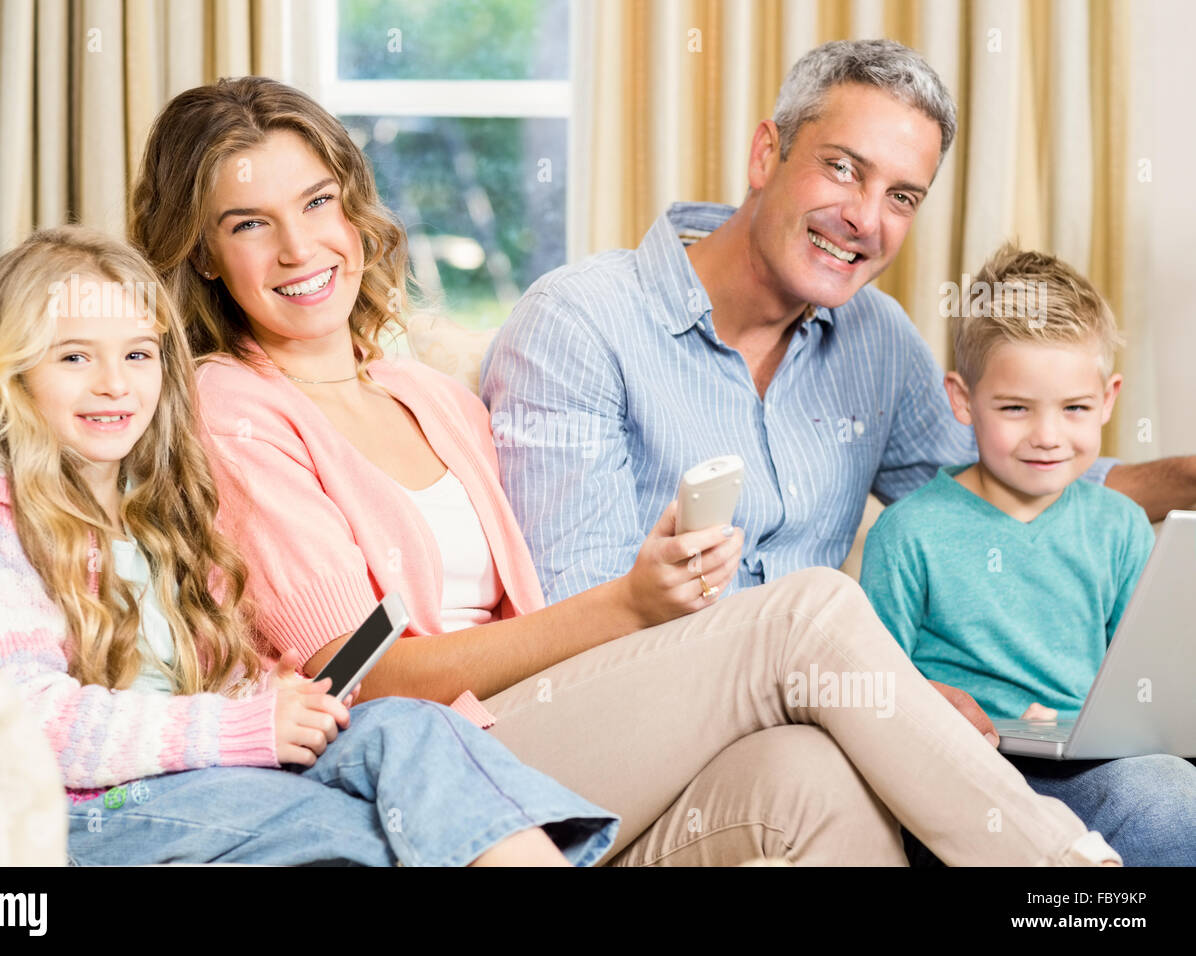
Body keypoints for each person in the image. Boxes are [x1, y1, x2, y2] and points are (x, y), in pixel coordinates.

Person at [129, 75, 1121, 866]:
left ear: (353, 209)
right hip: (428, 763)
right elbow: (367, 677)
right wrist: (632, 604)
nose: (301, 245)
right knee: (806, 613)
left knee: (811, 775)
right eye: (249, 222)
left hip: (548, 743)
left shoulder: (419, 389)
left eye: (316, 202)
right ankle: (1071, 884)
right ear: (206, 255)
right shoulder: (232, 406)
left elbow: (1005, 471)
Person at [480, 38, 1196, 749]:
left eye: (901, 197)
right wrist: (875, 692)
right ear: (767, 154)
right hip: (646, 730)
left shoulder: (872, 338)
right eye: (843, 169)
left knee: (1158, 799)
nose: (865, 218)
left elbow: (1011, 466)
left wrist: (1185, 480)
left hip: (818, 724)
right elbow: (580, 623)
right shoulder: (578, 323)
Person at [0, 225, 618, 866]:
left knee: (407, 725)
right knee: (370, 834)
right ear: (11, 373)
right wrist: (241, 726)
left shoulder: (159, 503)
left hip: (213, 781)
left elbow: (210, 679)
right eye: (75, 358)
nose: (114, 384)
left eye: (138, 354)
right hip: (93, 816)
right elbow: (29, 720)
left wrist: (274, 701)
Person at [859, 244, 1196, 866]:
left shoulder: (1119, 525)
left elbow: (1142, 682)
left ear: (1109, 399)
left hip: (1093, 771)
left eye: (1074, 409)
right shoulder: (910, 533)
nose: (1047, 436)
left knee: (1171, 794)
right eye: (1015, 408)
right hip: (967, 776)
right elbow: (874, 691)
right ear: (962, 401)